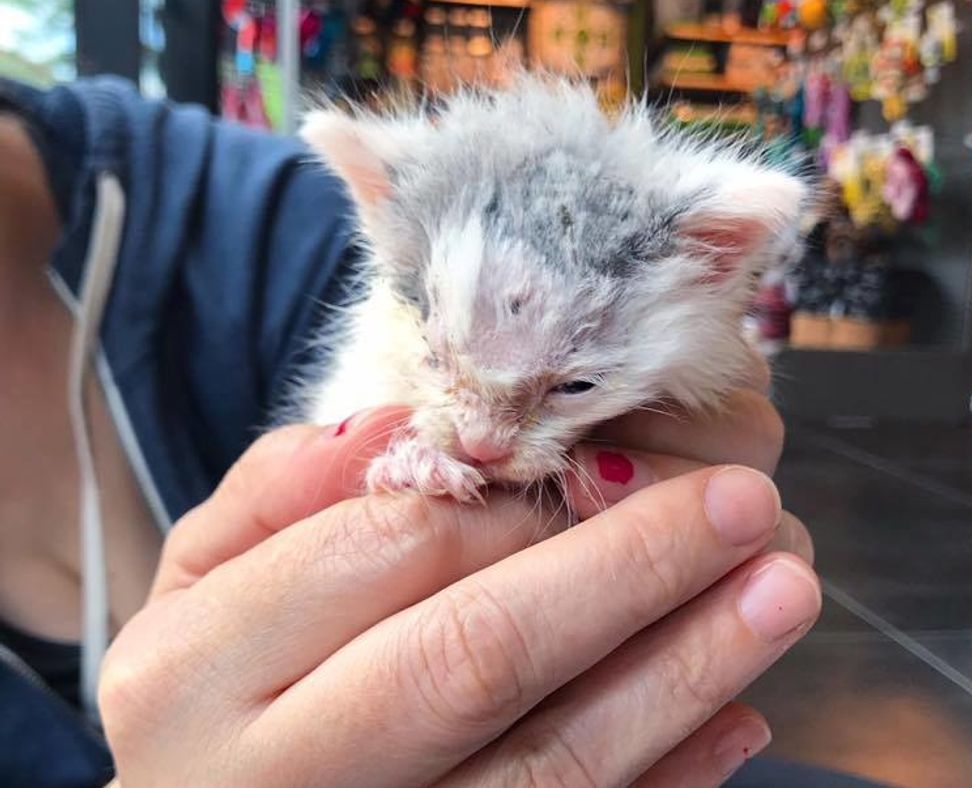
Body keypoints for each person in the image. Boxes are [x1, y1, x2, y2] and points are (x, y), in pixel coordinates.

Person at [0, 75, 866, 787]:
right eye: (444, 363)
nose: (487, 438)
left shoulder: (221, 210)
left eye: (570, 384)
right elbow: (346, 413)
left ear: (720, 261)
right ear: (375, 204)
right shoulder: (369, 251)